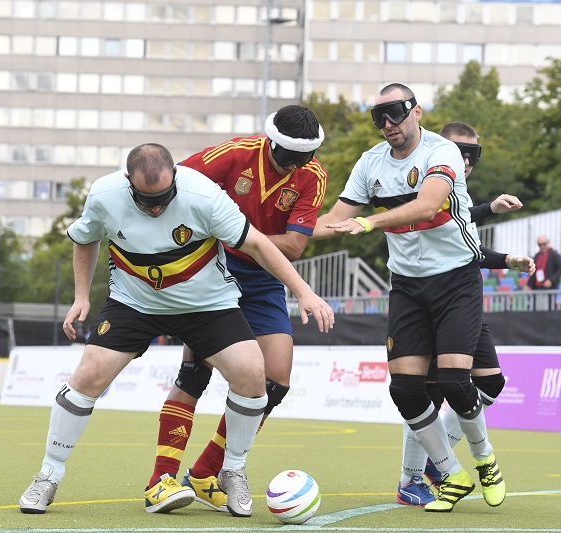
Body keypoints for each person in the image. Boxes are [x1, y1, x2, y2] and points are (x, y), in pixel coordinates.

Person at [17, 143, 335, 517]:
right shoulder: (104, 194)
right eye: (144, 200)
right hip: (134, 303)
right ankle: (48, 475)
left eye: (164, 198)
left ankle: (230, 470)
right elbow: (84, 239)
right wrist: (81, 297)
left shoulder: (204, 195)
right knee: (87, 375)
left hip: (205, 305)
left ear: (176, 179)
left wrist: (304, 293)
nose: (155, 208)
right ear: (127, 183)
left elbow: (259, 245)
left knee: (253, 374)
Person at [314, 83, 505, 513]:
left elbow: (426, 205)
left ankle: (485, 462)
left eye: (395, 115)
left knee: (459, 382)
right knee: (405, 390)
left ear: (417, 112)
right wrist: (268, 237)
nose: (387, 125)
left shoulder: (444, 152)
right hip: (407, 286)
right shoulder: (370, 163)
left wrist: (369, 223)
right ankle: (450, 473)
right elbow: (335, 219)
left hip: (456, 280)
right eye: (379, 118)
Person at [144, 105, 328, 515]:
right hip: (212, 270)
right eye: (288, 157)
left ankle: (207, 473)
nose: (294, 167)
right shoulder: (233, 154)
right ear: (270, 142)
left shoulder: (312, 176)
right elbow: (172, 183)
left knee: (276, 381)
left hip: (264, 277)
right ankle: (161, 478)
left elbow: (296, 246)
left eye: (305, 158)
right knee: (195, 372)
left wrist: (241, 235)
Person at [396, 121, 532, 506]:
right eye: (460, 152)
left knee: (489, 383)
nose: (466, 160)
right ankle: (412, 477)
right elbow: (436, 221)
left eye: (472, 154)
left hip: (463, 299)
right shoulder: (424, 181)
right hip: (431, 301)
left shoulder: (456, 191)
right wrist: (490, 210)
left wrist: (507, 259)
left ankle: (433, 464)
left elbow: (467, 242)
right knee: (429, 391)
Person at [526, 234, 561, 310]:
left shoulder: (554, 255)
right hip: (537, 288)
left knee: (549, 310)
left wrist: (551, 280)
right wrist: (528, 284)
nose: (542, 246)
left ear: (547, 243)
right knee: (536, 309)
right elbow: (533, 271)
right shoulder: (537, 256)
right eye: (540, 244)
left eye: (544, 244)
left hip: (549, 288)